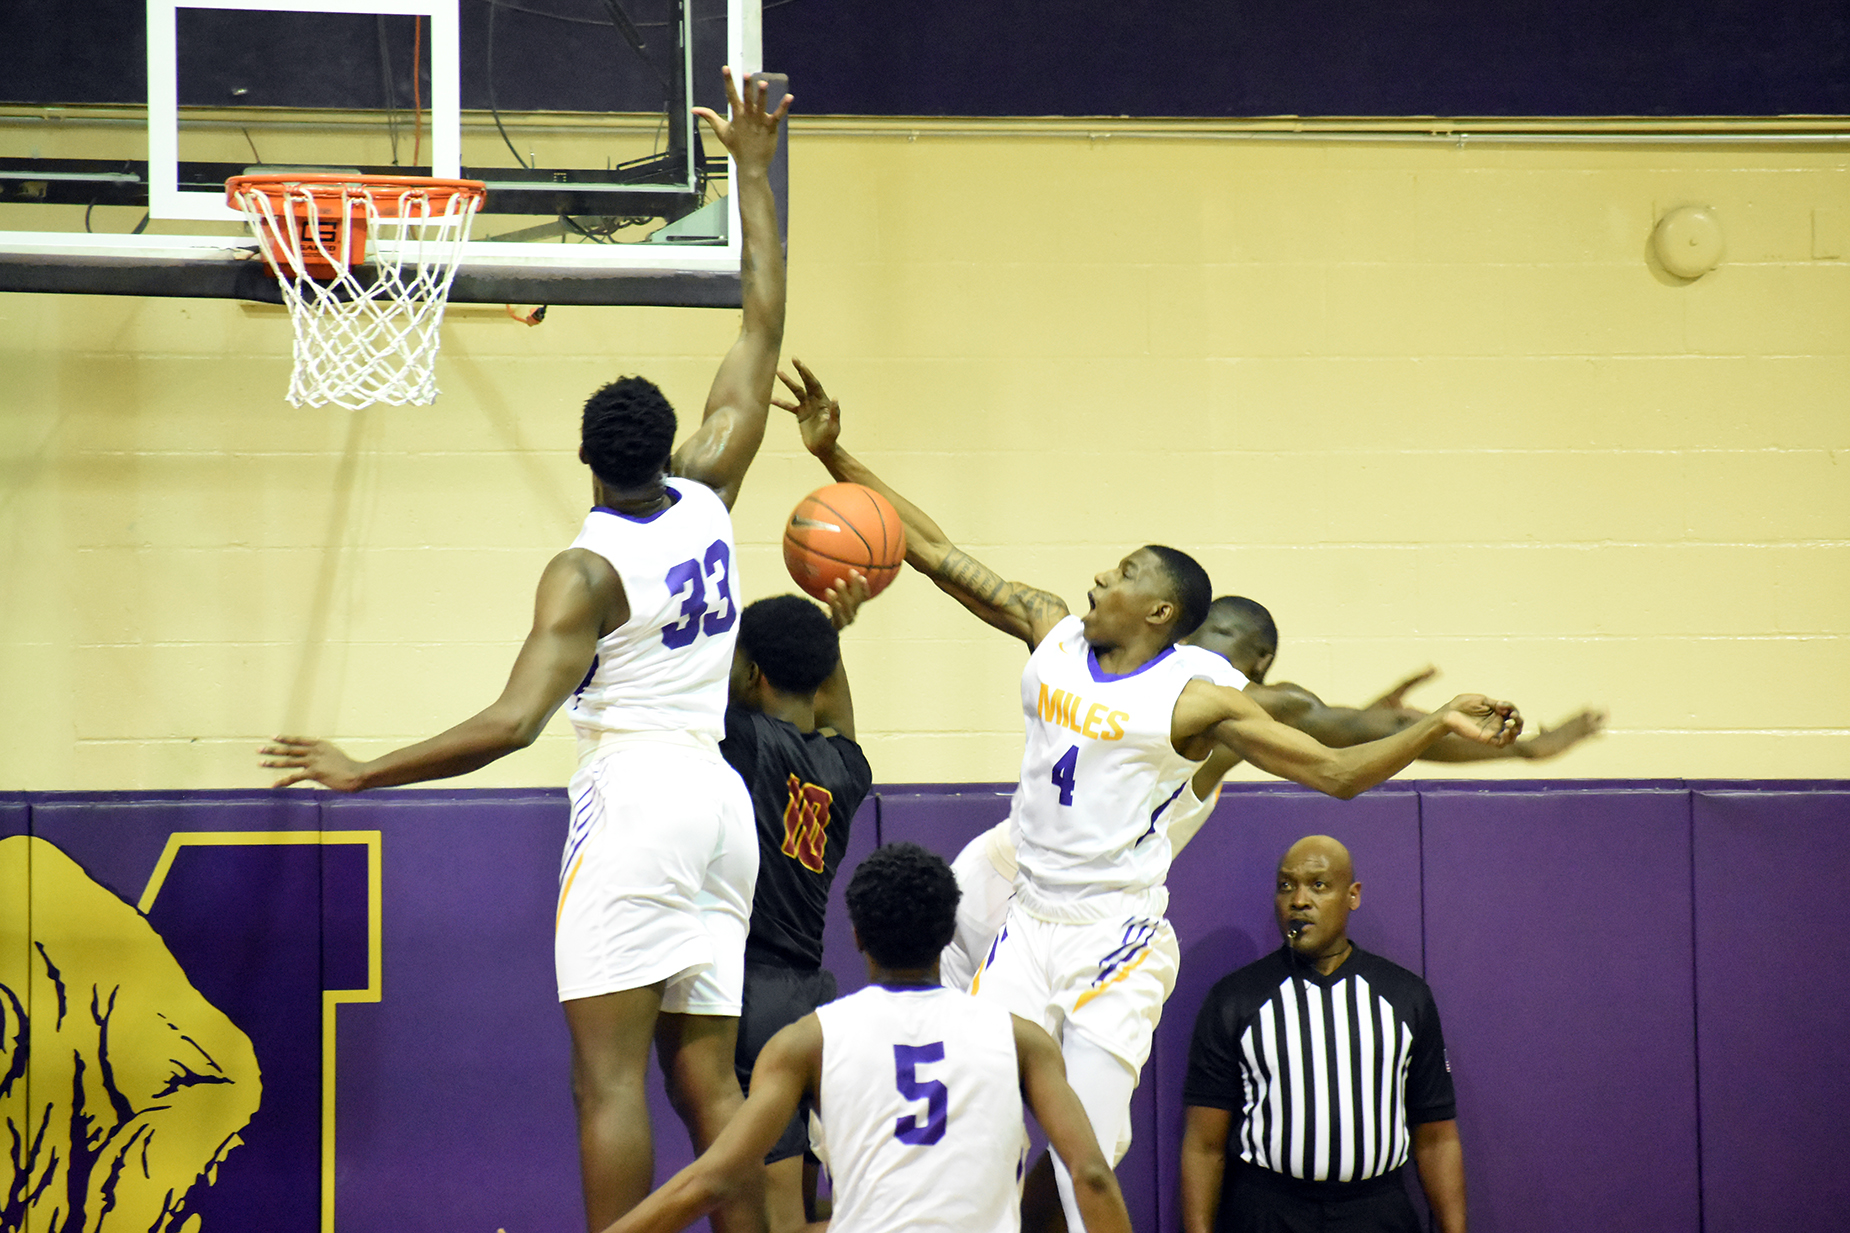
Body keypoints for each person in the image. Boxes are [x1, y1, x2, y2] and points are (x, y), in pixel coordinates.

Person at [775, 360, 1518, 1233]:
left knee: (1076, 1155)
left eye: (1122, 571)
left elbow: (1337, 771)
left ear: (1159, 611)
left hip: (1114, 939)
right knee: (967, 1126)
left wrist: (1432, 725)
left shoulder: (1199, 698)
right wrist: (836, 455)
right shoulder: (1049, 628)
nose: (1100, 576)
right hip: (1024, 915)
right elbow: (934, 552)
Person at [258, 67, 792, 1233]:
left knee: (602, 1079)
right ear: (668, 445)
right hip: (720, 802)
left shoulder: (585, 571)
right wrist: (751, 169)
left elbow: (511, 725)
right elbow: (759, 326)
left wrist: (363, 770)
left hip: (642, 797)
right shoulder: (711, 490)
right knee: (708, 1078)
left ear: (589, 462)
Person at [942, 595, 1604, 993]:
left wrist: (1371, 719)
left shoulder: (1122, 669)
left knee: (949, 1083)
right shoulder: (1243, 697)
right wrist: (1518, 747)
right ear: (1258, 660)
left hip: (983, 872)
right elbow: (1367, 740)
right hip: (1051, 911)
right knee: (1066, 1120)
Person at [597, 842, 1135, 1233]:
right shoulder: (1023, 1041)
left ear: (855, 935)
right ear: (950, 933)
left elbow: (713, 1180)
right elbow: (1089, 1174)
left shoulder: (806, 1042)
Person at [1180, 835, 1465, 1233]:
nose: (1299, 900)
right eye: (1286, 886)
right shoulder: (1235, 999)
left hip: (1375, 1212)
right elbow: (1203, 1146)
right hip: (1267, 1211)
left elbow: (1436, 1139)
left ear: (1352, 895)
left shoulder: (1405, 997)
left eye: (1318, 885)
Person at [723, 588, 876, 1233]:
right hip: (811, 993)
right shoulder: (847, 766)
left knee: (775, 1208)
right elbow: (835, 709)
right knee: (809, 1203)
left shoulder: (746, 741)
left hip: (754, 990)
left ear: (753, 673)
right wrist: (830, 635)